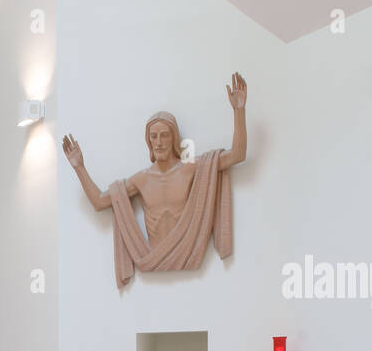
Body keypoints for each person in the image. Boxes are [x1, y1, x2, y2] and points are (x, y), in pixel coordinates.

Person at [62, 72, 247, 288]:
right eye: (153, 136)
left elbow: (237, 155)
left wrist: (239, 111)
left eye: (165, 135)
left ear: (174, 138)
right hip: (151, 258)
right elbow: (100, 201)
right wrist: (79, 167)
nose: (159, 142)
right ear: (148, 141)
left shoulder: (190, 169)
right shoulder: (142, 179)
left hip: (188, 254)